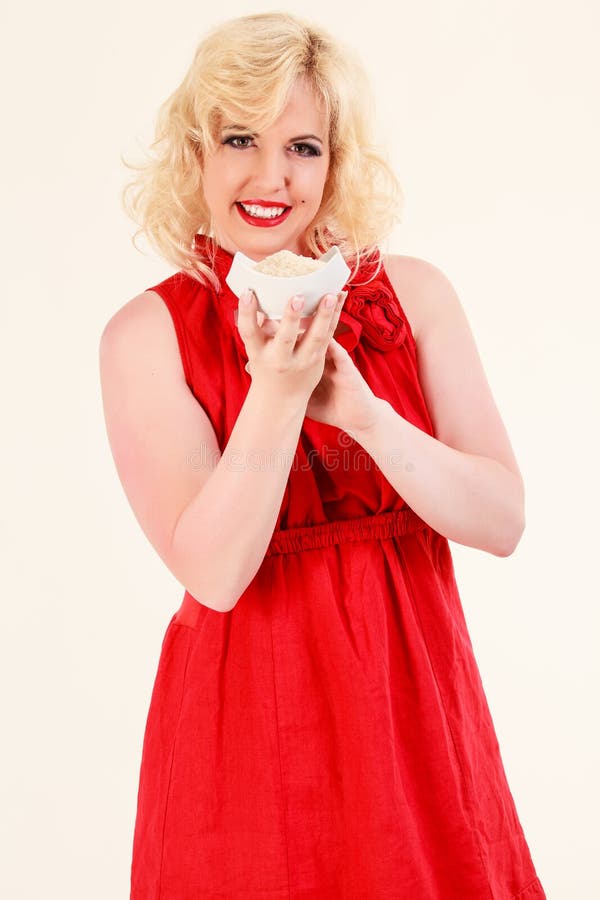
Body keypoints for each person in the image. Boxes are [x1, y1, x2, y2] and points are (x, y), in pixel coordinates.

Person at [99, 11, 546, 899]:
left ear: (335, 162)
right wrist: (277, 394)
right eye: (239, 139)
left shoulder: (412, 296)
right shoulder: (145, 336)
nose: (271, 177)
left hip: (416, 724)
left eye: (303, 146)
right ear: (196, 156)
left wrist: (370, 418)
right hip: (250, 738)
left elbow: (502, 520)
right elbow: (216, 575)